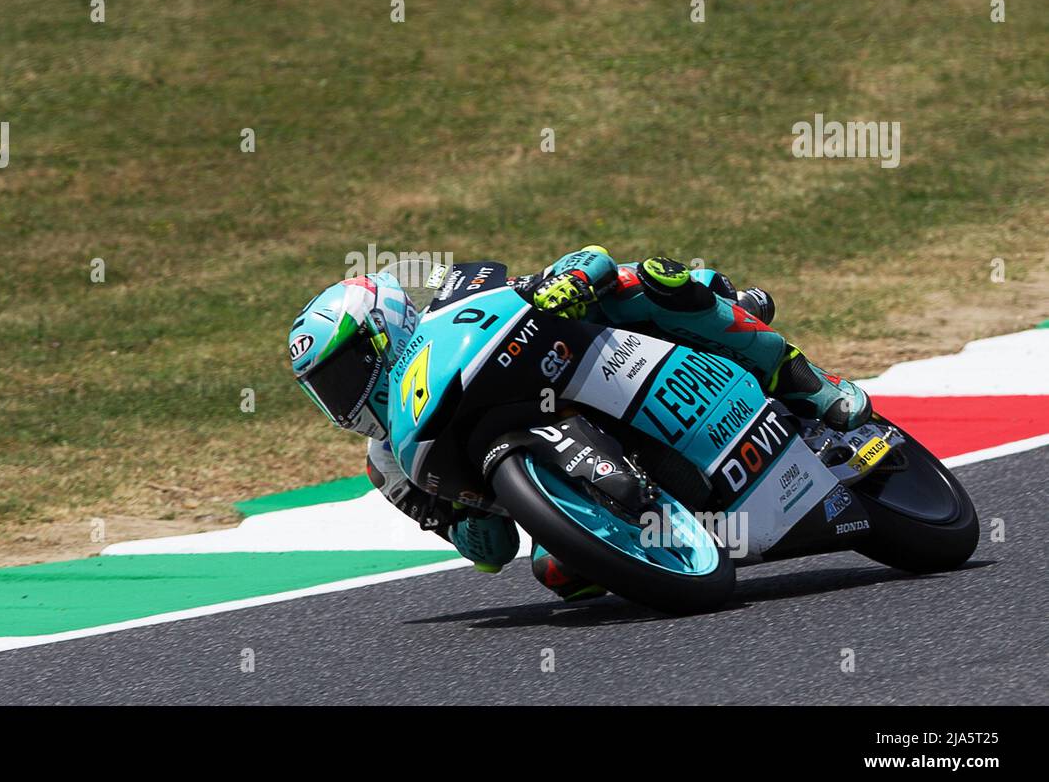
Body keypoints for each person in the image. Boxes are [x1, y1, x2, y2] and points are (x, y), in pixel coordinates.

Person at [287, 246, 871, 601]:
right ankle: (675, 539)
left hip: (592, 364)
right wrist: (460, 523)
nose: (343, 397)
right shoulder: (387, 464)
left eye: (346, 372)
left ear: (384, 330)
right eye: (326, 389)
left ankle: (810, 385)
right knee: (558, 573)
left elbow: (583, 260)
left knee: (645, 279)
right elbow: (491, 549)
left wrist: (565, 284)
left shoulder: (456, 300)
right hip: (559, 483)